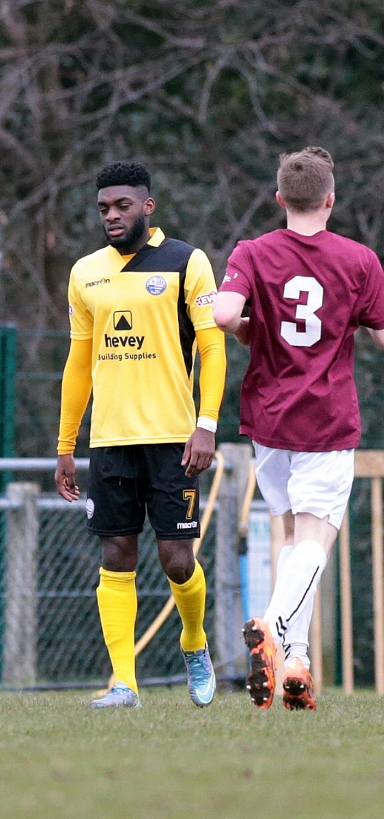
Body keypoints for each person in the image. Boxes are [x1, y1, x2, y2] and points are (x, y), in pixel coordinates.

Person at [214, 146, 384, 711]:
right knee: (316, 542)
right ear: (331, 198)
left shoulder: (253, 251)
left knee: (296, 540)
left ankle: (296, 661)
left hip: (269, 419)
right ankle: (273, 629)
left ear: (279, 200)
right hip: (326, 417)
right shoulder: (358, 259)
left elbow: (224, 315)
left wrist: (252, 326)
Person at [56, 160, 226, 709]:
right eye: (104, 207)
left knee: (177, 560)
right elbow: (79, 362)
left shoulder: (186, 261)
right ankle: (123, 683)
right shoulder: (85, 273)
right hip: (109, 440)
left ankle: (194, 642)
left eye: (122, 205)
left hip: (174, 439)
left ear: (147, 206)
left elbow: (212, 347)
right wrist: (66, 444)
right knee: (116, 554)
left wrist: (206, 425)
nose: (111, 215)